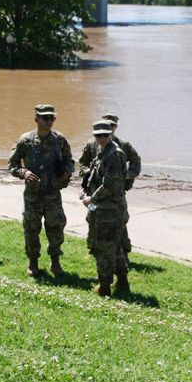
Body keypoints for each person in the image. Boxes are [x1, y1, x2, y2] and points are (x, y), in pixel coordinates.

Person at [7, 104, 74, 277]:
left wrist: (67, 172)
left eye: (52, 118)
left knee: (56, 229)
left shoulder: (60, 140)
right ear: (36, 119)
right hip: (33, 196)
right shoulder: (25, 140)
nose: (49, 121)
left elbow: (69, 160)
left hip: (53, 194)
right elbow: (12, 164)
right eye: (45, 118)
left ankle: (55, 263)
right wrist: (24, 172)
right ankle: (33, 262)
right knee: (31, 229)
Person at [78, 113, 139, 290]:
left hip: (109, 209)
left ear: (111, 133)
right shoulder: (100, 150)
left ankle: (104, 286)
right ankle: (122, 282)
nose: (102, 138)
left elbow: (109, 185)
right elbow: (89, 170)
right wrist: (86, 187)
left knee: (103, 249)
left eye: (106, 134)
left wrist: (91, 198)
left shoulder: (113, 154)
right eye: (99, 135)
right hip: (107, 207)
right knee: (116, 245)